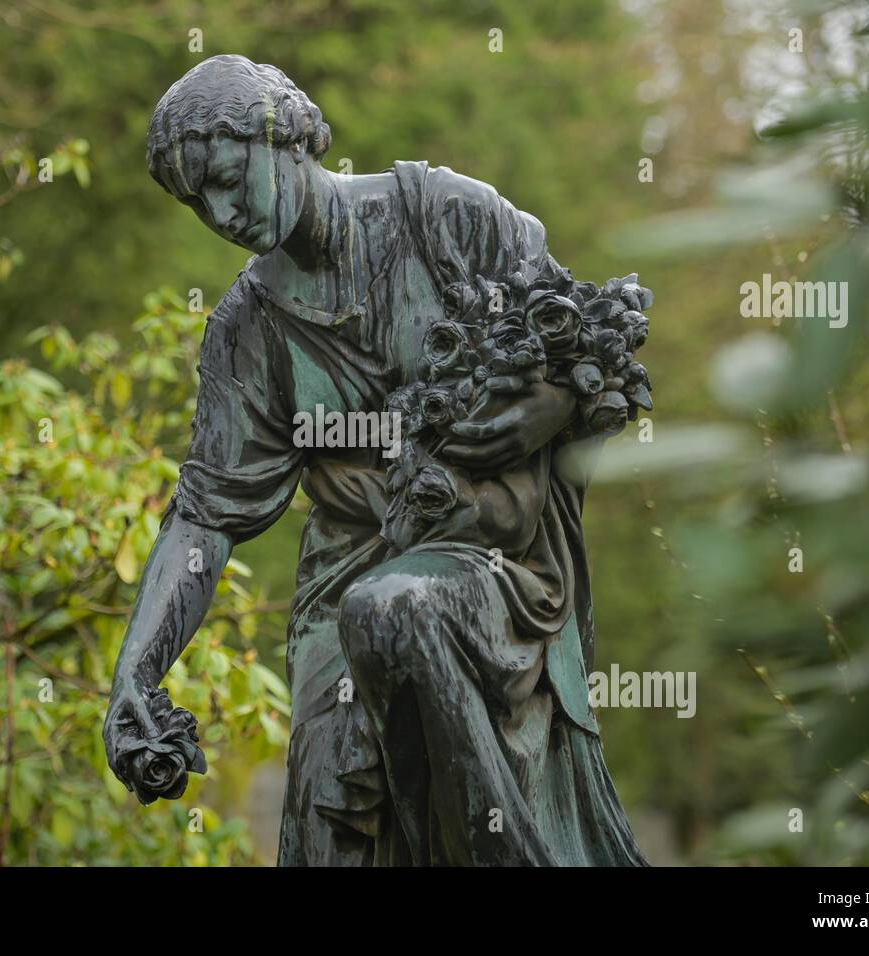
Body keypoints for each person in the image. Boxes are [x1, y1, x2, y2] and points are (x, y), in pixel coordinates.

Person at [104, 54, 646, 866]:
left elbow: (597, 346)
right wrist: (135, 673)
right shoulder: (246, 331)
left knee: (397, 609)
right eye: (196, 201)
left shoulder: (446, 218)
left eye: (226, 176)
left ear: (283, 134)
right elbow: (207, 516)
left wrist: (552, 407)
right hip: (343, 578)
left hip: (494, 559)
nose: (220, 211)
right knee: (326, 808)